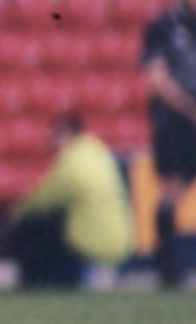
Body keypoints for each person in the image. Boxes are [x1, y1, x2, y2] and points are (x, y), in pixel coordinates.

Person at [10, 116, 132, 290]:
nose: (51, 144)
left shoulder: (72, 164)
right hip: (118, 243)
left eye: (53, 138)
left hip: (90, 247)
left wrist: (15, 213)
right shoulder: (97, 152)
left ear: (64, 135)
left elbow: (39, 203)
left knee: (33, 227)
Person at [138, 0, 196, 290]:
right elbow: (156, 78)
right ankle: (168, 268)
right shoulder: (163, 25)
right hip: (175, 121)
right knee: (172, 190)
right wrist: (190, 109)